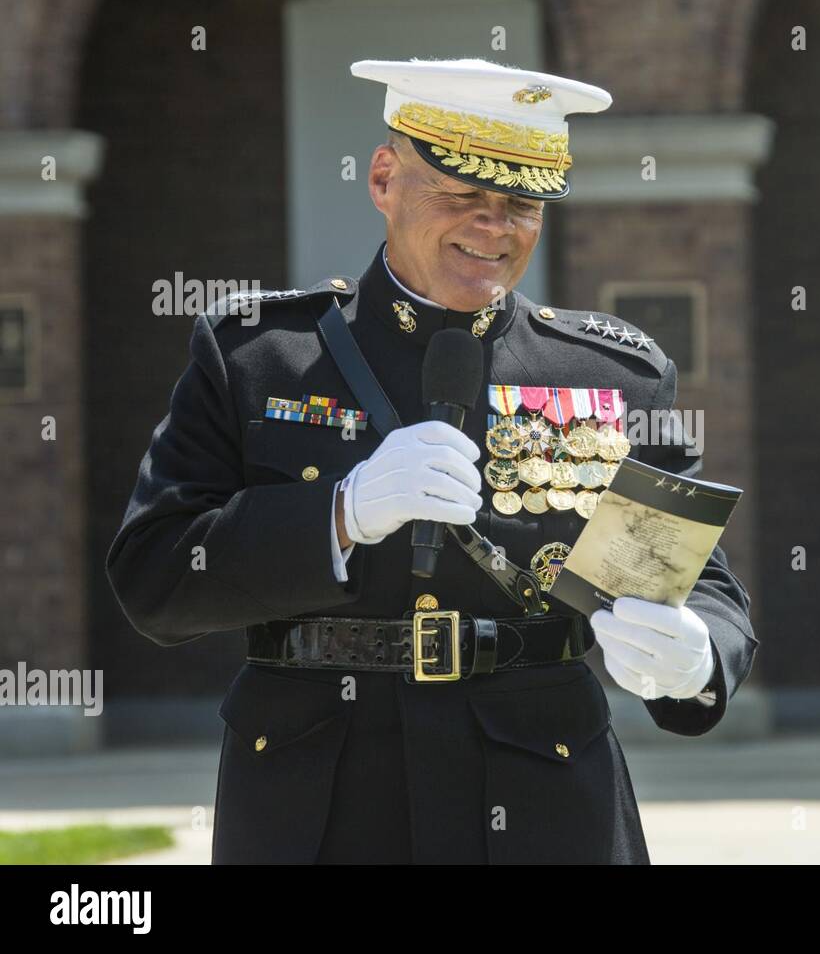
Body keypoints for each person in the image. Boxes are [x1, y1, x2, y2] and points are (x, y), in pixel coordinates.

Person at [105, 57, 757, 864]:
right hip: (322, 798)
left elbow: (702, 585)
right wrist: (336, 517)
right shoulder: (260, 358)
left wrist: (697, 656)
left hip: (543, 799)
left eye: (522, 203)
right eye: (462, 196)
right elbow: (154, 578)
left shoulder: (608, 376)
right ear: (384, 178)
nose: (495, 227)